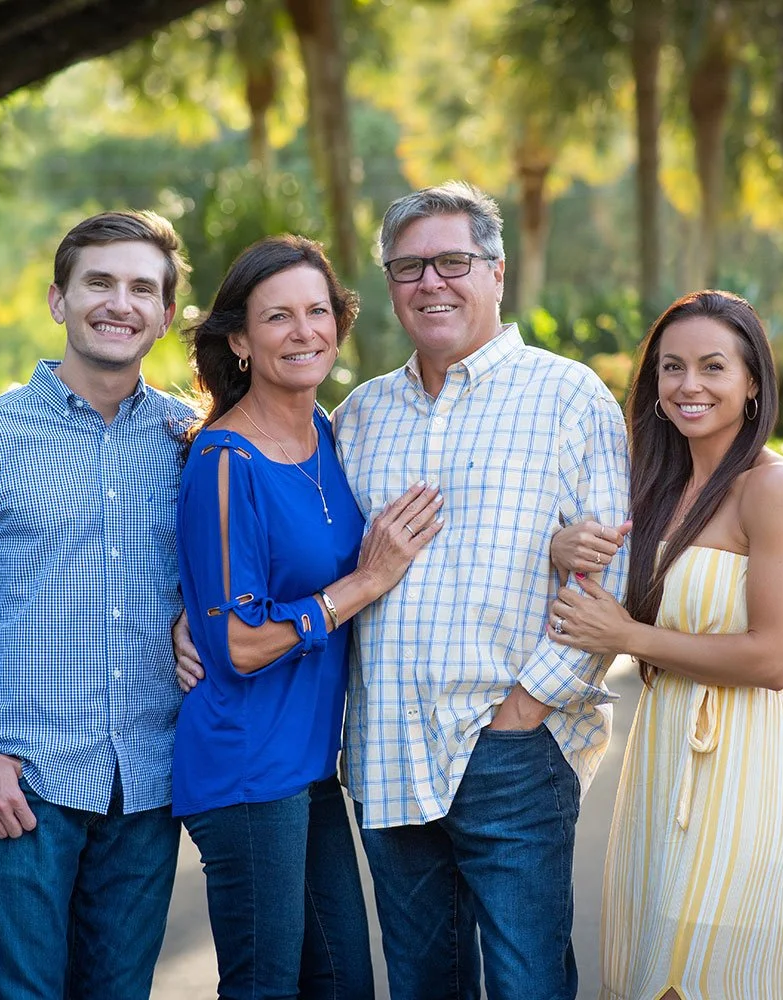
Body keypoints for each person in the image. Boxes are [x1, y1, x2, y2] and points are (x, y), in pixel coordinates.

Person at [0, 210, 192, 999]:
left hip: (146, 787)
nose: (118, 303)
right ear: (59, 300)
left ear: (163, 315)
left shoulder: (191, 441)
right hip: (22, 791)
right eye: (99, 283)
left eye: (141, 289)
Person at [336, 181, 629, 1000]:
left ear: (496, 272)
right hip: (389, 742)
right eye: (408, 268)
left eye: (453, 261)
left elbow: (611, 574)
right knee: (424, 981)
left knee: (528, 980)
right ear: (390, 287)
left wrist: (528, 707)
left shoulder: (567, 396)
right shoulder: (360, 415)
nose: (431, 282)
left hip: (512, 745)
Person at [174, 234, 441, 999]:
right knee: (265, 988)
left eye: (318, 312)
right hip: (249, 766)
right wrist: (367, 581)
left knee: (343, 983)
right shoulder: (225, 460)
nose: (304, 332)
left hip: (313, 763)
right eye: (278, 317)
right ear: (240, 341)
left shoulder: (331, 431)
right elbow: (237, 645)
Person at [546, 290, 783, 1000]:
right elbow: (596, 588)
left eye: (712, 366)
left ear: (753, 381)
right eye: (672, 368)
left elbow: (772, 658)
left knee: (720, 971)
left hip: (748, 755)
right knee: (653, 963)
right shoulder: (655, 487)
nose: (689, 385)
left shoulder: (777, 489)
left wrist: (628, 636)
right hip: (665, 743)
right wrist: (560, 546)